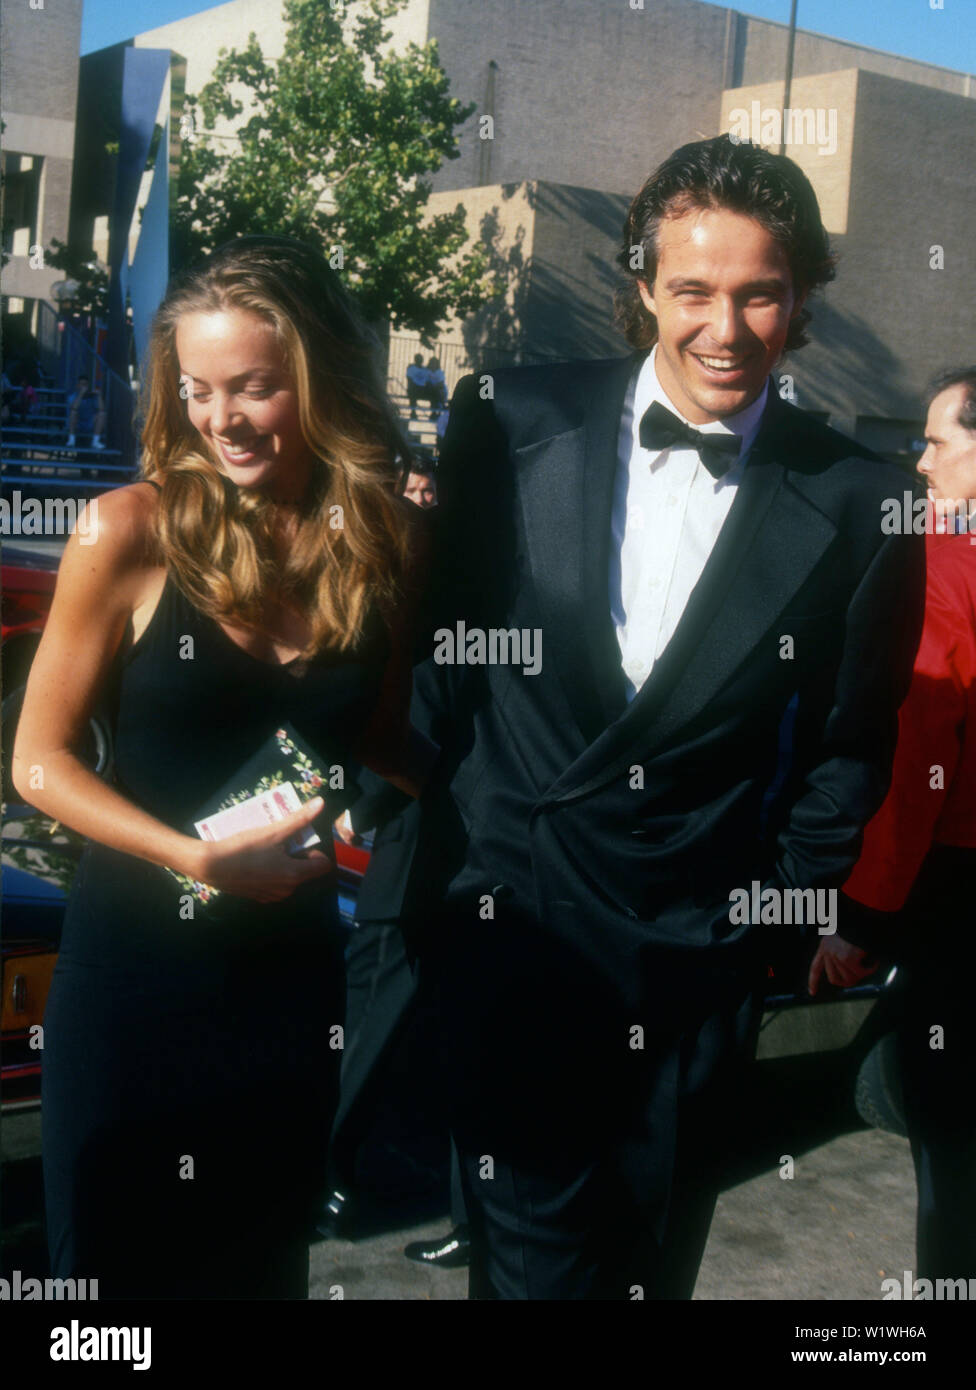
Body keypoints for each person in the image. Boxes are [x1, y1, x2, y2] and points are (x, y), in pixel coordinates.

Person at [419, 133, 926, 1300]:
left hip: (690, 953)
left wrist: (771, 919)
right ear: (642, 285)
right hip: (515, 922)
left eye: (760, 294)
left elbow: (852, 739)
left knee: (648, 1262)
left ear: (800, 302)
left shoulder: (862, 500)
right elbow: (443, 649)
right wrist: (439, 853)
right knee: (537, 1262)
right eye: (693, 290)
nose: (725, 327)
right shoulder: (508, 415)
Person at [13, 235, 436, 1300]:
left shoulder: (383, 538)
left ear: (318, 381)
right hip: (132, 986)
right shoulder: (126, 532)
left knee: (255, 1275)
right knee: (111, 1296)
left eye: (254, 387)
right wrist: (192, 862)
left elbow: (379, 738)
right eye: (198, 390)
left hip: (289, 989)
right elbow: (36, 763)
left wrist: (524, 806)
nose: (222, 419)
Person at [810, 366, 976, 1286]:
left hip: (956, 893)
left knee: (953, 1146)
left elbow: (916, 764)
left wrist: (862, 916)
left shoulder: (944, 568)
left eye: (938, 441)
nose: (919, 462)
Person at [66, 373, 106, 449]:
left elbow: (101, 409)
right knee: (73, 412)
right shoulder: (72, 396)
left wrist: (99, 396)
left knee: (102, 414)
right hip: (77, 424)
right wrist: (81, 394)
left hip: (89, 423)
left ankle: (95, 442)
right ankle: (71, 440)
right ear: (78, 386)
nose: (84, 386)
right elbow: (74, 407)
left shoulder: (93, 396)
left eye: (85, 384)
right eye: (82, 384)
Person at [406, 353, 429, 419]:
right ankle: (413, 412)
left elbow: (427, 380)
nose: (419, 360)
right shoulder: (411, 368)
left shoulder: (425, 369)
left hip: (423, 388)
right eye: (418, 359)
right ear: (415, 360)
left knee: (433, 390)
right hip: (414, 387)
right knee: (412, 391)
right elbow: (409, 380)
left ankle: (435, 413)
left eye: (421, 359)